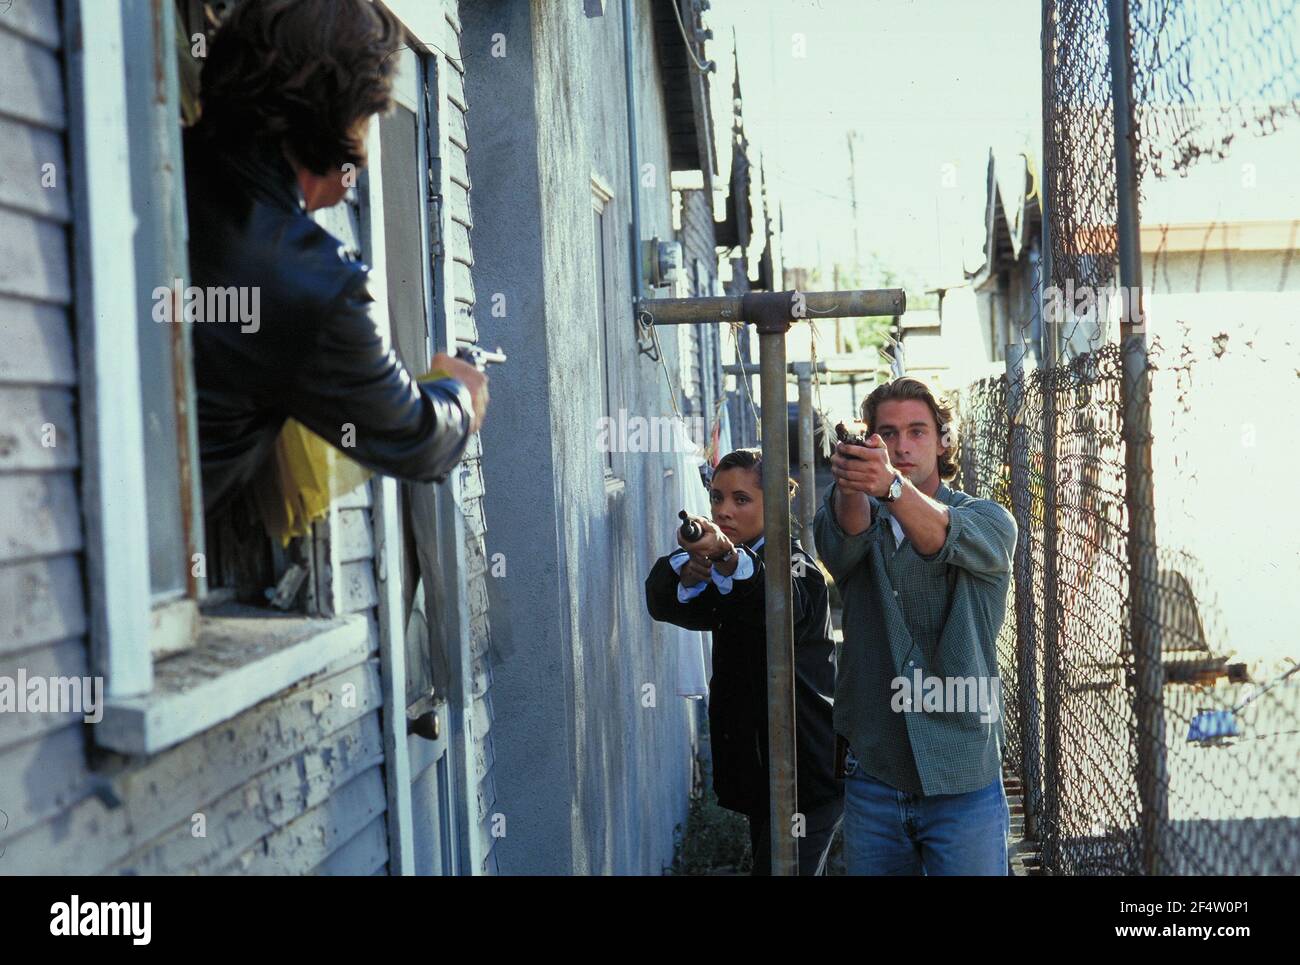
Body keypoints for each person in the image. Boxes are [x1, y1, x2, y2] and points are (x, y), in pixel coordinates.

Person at [183, 0, 488, 516]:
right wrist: (460, 393)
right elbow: (414, 437)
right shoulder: (315, 284)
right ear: (346, 120)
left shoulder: (165, 157)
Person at [814, 376, 1017, 875]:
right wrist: (852, 480)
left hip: (963, 777)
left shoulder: (989, 519)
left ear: (944, 440)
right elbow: (843, 541)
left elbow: (941, 536)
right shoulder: (853, 514)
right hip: (875, 773)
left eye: (918, 431)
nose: (902, 446)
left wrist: (890, 485)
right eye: (888, 433)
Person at [645, 448, 842, 875]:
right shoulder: (732, 567)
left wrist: (726, 557)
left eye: (741, 499)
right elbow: (669, 604)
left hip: (805, 771)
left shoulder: (796, 567)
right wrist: (688, 572)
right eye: (717, 498)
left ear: (773, 504)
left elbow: (776, 607)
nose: (725, 510)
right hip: (766, 773)